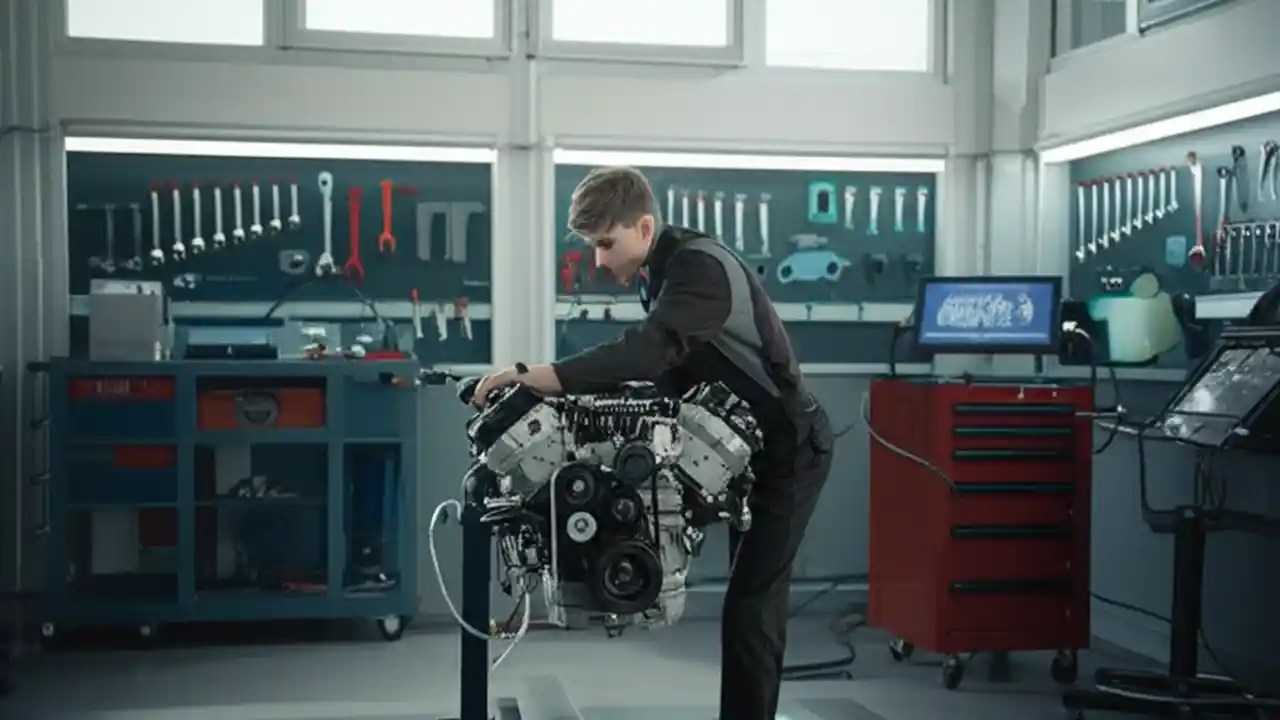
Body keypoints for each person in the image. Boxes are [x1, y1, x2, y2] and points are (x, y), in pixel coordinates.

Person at [471, 166, 833, 720]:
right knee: (746, 599)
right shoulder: (659, 273)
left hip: (790, 450)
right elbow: (668, 373)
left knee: (752, 604)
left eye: (605, 244)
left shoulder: (699, 268)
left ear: (643, 227)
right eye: (593, 246)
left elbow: (648, 350)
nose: (599, 261)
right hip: (740, 449)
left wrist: (542, 375)